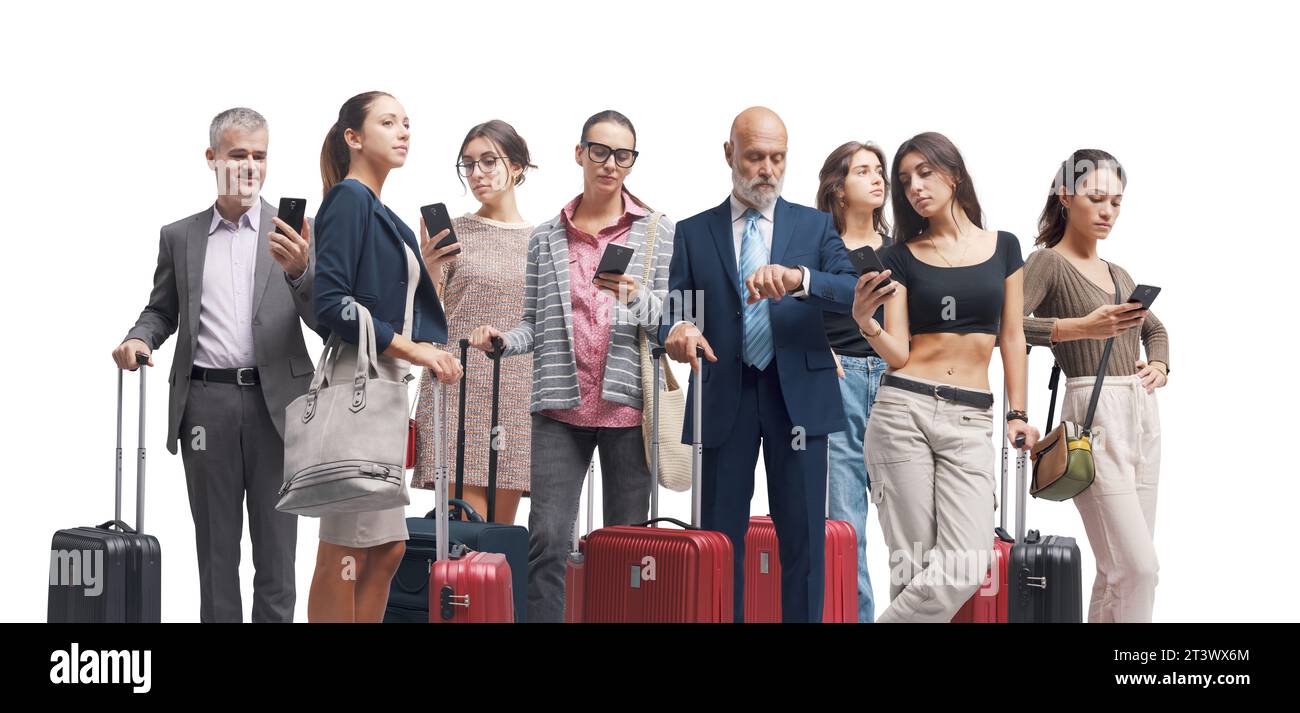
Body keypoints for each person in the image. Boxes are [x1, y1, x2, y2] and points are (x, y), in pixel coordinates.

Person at [469, 110, 675, 623]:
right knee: (546, 541)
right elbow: (533, 325)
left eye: (621, 155)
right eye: (599, 151)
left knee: (626, 551)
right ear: (579, 153)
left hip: (628, 410)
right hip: (560, 410)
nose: (609, 164)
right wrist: (503, 341)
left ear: (632, 163)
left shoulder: (656, 232)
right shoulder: (546, 237)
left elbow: (673, 322)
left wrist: (635, 296)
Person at [114, 107, 315, 623]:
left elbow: (324, 318)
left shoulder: (294, 231)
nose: (249, 166)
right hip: (206, 403)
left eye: (259, 156)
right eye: (237, 155)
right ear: (212, 159)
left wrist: (300, 273)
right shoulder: (180, 236)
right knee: (217, 555)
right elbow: (162, 309)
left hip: (279, 409)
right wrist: (139, 339)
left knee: (277, 558)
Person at [662, 107, 858, 623]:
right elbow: (675, 309)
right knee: (720, 543)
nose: (767, 169)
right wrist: (676, 332)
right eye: (755, 157)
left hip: (798, 397)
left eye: (778, 158)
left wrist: (798, 278)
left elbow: (852, 291)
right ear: (729, 154)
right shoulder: (692, 231)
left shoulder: (814, 227)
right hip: (725, 393)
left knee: (804, 543)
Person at [853, 131, 1040, 622]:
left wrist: (1018, 412)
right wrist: (865, 322)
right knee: (912, 566)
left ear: (954, 174)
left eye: (925, 172)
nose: (915, 186)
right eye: (905, 180)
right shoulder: (900, 256)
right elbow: (896, 351)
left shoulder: (1005, 248)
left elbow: (1012, 337)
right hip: (903, 411)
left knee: (965, 562)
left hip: (971, 417)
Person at [308, 91, 462, 623]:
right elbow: (332, 304)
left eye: (407, 124)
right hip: (361, 384)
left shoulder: (381, 212)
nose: (403, 132)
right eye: (388, 122)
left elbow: (385, 299)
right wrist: (410, 347)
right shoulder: (349, 199)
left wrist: (431, 275)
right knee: (346, 551)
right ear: (353, 137)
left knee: (388, 548)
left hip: (386, 388)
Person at [1023, 149, 1168, 623]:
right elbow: (1011, 326)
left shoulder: (1117, 273)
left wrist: (1160, 367)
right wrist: (1081, 327)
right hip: (1092, 410)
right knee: (1139, 568)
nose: (1107, 212)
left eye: (1117, 203)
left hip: (1141, 414)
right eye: (1097, 198)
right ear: (1066, 196)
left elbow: (1154, 329)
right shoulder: (1047, 263)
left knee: (1117, 570)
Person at [411, 120, 537, 525]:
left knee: (499, 540)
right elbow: (422, 319)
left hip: (516, 392)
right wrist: (428, 264)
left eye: (488, 161)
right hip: (457, 386)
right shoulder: (453, 232)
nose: (477, 173)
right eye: (468, 164)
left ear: (517, 166)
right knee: (460, 533)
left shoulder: (543, 239)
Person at [815, 140, 893, 623]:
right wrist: (819, 351)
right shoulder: (819, 245)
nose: (878, 177)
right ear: (839, 189)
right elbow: (786, 308)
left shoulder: (901, 250)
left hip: (895, 384)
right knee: (847, 525)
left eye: (879, 169)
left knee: (910, 525)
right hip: (839, 379)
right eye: (863, 170)